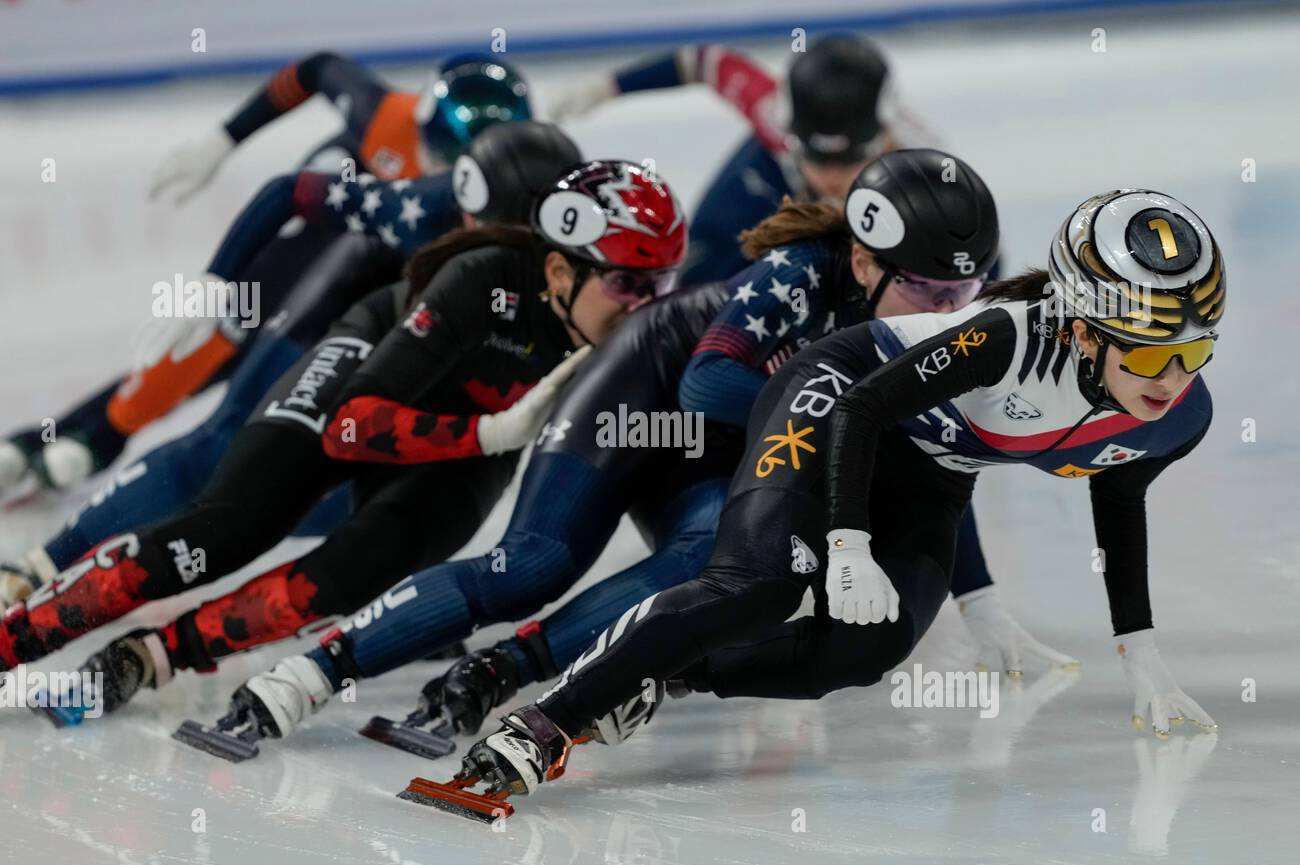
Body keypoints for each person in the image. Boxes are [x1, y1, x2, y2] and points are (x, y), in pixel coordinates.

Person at [176, 151, 1053, 756]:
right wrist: (846, 425)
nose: (948, 311)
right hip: (645, 393)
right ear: (862, 262)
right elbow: (708, 385)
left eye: (966, 290)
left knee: (706, 558)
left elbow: (942, 457)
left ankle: (499, 671)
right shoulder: (799, 274)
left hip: (718, 444)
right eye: (927, 289)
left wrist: (978, 601)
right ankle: (313, 671)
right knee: (535, 563)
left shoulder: (932, 325)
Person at [450, 186, 1224, 804]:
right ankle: (543, 722)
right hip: (836, 398)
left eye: (1194, 351)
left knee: (862, 651)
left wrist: (1142, 658)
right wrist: (848, 547)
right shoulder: (1006, 340)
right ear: (1084, 332)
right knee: (756, 586)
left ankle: (664, 674)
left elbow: (1119, 501)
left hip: (928, 467)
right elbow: (862, 408)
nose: (1172, 380)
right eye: (1149, 355)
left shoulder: (1181, 415)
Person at [0, 160, 686, 712]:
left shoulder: (638, 332)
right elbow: (350, 427)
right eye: (630, 285)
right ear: (561, 271)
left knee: (359, 570)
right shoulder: (481, 280)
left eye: (662, 283)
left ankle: (157, 656)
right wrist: (489, 432)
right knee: (226, 530)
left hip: (465, 441)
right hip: (373, 380)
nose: (648, 305)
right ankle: (12, 639)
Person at [0, 119, 564, 610]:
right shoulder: (416, 210)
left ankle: (373, 592)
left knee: (378, 489)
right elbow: (290, 189)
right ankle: (48, 563)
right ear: (463, 211)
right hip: (339, 318)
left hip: (435, 343)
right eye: (496, 239)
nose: (508, 260)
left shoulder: (564, 253)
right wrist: (217, 279)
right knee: (221, 450)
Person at [0, 55, 530, 501]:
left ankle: (89, 443)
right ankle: (87, 438)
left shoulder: (510, 177)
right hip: (304, 250)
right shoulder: (383, 116)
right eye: (442, 154)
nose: (447, 178)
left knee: (262, 380)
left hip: (366, 279)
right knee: (210, 348)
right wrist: (223, 138)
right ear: (421, 126)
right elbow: (316, 69)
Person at [548, 34, 935, 284]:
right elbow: (703, 61)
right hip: (774, 175)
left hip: (871, 195)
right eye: (817, 158)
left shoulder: (919, 159)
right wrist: (607, 87)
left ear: (886, 138)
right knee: (704, 262)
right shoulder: (771, 113)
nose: (831, 177)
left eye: (849, 161)